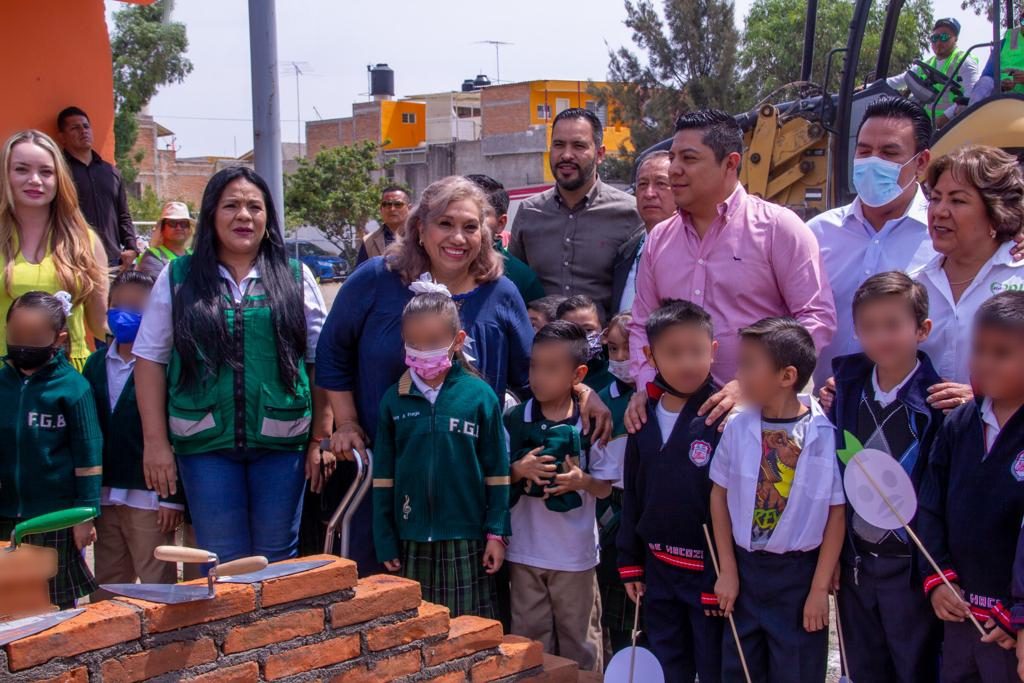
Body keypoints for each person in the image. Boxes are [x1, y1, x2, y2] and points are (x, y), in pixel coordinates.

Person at [317, 176, 605, 573]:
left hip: (466, 485)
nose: (458, 237)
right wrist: (345, 421)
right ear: (420, 227)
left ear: (486, 232)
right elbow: (332, 351)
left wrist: (583, 391)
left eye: (471, 226)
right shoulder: (375, 279)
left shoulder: (500, 292)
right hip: (386, 476)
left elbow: (532, 375)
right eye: (445, 224)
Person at [133, 166, 333, 564]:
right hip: (204, 447)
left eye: (254, 207)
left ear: (268, 218)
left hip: (282, 445)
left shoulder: (296, 277)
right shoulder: (178, 277)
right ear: (211, 215)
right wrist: (156, 443)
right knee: (222, 561)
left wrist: (320, 439)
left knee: (278, 558)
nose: (244, 215)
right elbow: (150, 359)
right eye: (232, 205)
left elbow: (319, 360)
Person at [627, 110, 836, 432]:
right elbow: (642, 323)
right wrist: (647, 386)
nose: (675, 169)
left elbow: (816, 318)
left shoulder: (778, 228)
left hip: (758, 422)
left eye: (689, 158)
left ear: (730, 162)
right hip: (675, 422)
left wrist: (752, 385)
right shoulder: (659, 239)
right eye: (672, 157)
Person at [709, 317, 845, 683]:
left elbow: (836, 514)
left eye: (748, 365)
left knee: (796, 670)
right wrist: (728, 570)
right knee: (740, 669)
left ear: (786, 376)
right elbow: (719, 495)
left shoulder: (825, 435)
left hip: (797, 579)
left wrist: (818, 590)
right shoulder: (738, 428)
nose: (739, 374)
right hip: (745, 571)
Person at [828, 272, 944, 682]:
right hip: (857, 563)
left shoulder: (937, 406)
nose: (881, 338)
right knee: (862, 667)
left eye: (893, 326)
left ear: (922, 329)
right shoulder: (844, 393)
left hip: (910, 568)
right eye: (869, 328)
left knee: (915, 666)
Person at [372, 291, 510, 618]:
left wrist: (496, 532)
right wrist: (385, 537)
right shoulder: (394, 400)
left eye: (434, 341)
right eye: (414, 344)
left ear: (457, 340)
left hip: (467, 538)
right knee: (418, 629)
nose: (423, 353)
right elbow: (383, 478)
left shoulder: (479, 397)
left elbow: (498, 471)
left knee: (469, 630)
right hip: (412, 539)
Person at [917, 291, 1024, 682]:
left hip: (1011, 629)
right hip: (959, 610)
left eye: (1002, 352)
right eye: (979, 349)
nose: (985, 363)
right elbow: (929, 505)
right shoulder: (959, 424)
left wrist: (1018, 613)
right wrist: (938, 578)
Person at [617, 300, 725, 682]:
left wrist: (720, 576)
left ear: (713, 350)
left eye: (696, 351)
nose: (686, 363)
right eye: (673, 353)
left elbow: (732, 506)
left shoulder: (724, 416)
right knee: (668, 665)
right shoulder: (642, 417)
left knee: (713, 666)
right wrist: (631, 561)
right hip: (659, 570)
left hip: (708, 576)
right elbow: (633, 493)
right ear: (650, 355)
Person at [504, 321, 619, 672]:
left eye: (552, 369)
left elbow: (606, 487)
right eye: (534, 366)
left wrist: (581, 482)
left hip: (575, 556)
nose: (539, 377)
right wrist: (518, 471)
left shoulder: (592, 423)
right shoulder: (513, 419)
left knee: (580, 643)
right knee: (528, 644)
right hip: (524, 551)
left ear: (578, 373)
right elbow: (495, 479)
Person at [809, 97, 936, 390]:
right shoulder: (818, 233)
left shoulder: (939, 238)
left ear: (921, 162)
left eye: (889, 153)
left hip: (914, 418)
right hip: (830, 412)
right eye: (864, 151)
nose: (872, 162)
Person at [83, 271, 184, 594]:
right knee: (109, 584)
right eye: (117, 305)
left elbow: (177, 434)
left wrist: (173, 500)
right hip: (106, 496)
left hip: (150, 496)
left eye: (136, 307)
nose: (124, 313)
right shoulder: (95, 364)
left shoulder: (167, 365)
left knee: (156, 583)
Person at [0, 291, 102, 608]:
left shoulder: (73, 388)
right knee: (9, 600)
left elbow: (88, 456)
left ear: (57, 339)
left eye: (33, 337)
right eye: (16, 336)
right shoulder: (1, 384)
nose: (23, 344)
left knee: (54, 604)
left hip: (53, 518)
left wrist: (85, 514)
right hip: (4, 515)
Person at [509, 108, 642, 321]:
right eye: (559, 145)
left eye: (579, 146)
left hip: (602, 349)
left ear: (600, 154)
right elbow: (514, 284)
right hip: (541, 348)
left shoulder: (631, 213)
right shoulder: (529, 212)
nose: (566, 155)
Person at [914, 145, 1024, 394]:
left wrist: (983, 395)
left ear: (996, 213)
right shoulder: (915, 284)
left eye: (957, 200)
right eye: (935, 198)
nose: (939, 211)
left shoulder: (1019, 277)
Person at [0, 130, 109, 372]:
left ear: (60, 178)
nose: (35, 180)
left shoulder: (85, 241)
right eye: (21, 169)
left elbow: (101, 322)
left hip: (66, 384)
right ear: (5, 175)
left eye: (46, 172)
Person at [593, 311, 635, 655]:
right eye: (613, 349)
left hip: (650, 508)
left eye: (629, 350)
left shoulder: (662, 399)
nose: (620, 359)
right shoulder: (601, 400)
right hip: (611, 506)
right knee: (617, 608)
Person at [57, 107, 138, 271]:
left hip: (114, 263)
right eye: (75, 128)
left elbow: (123, 215)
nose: (83, 131)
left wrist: (131, 248)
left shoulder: (111, 172)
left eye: (86, 126)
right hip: (74, 262)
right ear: (62, 137)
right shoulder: (58, 172)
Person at [611, 151, 676, 315]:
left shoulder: (695, 249)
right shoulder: (626, 252)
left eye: (661, 183)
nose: (649, 193)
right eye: (642, 184)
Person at [467, 173, 545, 305]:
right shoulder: (430, 266)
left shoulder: (521, 277)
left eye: (481, 214)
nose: (469, 219)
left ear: (501, 223)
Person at [885, 18, 978, 126]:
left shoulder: (964, 61)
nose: (938, 42)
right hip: (925, 123)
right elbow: (898, 81)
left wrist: (945, 117)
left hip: (952, 126)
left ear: (955, 39)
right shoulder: (926, 64)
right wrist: (867, 87)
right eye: (934, 38)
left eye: (944, 37)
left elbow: (972, 93)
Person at [556, 294, 614, 393]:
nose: (580, 335)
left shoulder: (614, 377)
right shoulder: (553, 375)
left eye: (588, 329)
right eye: (571, 330)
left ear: (604, 335)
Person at [970, 5, 1024, 103]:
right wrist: (1001, 85)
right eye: (1023, 21)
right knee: (985, 82)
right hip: (1001, 96)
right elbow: (988, 73)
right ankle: (973, 116)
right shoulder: (1006, 42)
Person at [135, 201, 194, 279]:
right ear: (162, 229)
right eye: (172, 223)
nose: (179, 228)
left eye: (184, 224)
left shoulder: (193, 255)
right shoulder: (153, 256)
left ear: (189, 229)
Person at [357, 186, 410, 266]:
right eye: (386, 204)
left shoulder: (421, 238)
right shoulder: (368, 242)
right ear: (381, 209)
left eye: (398, 204)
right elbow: (360, 275)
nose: (392, 209)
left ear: (409, 208)